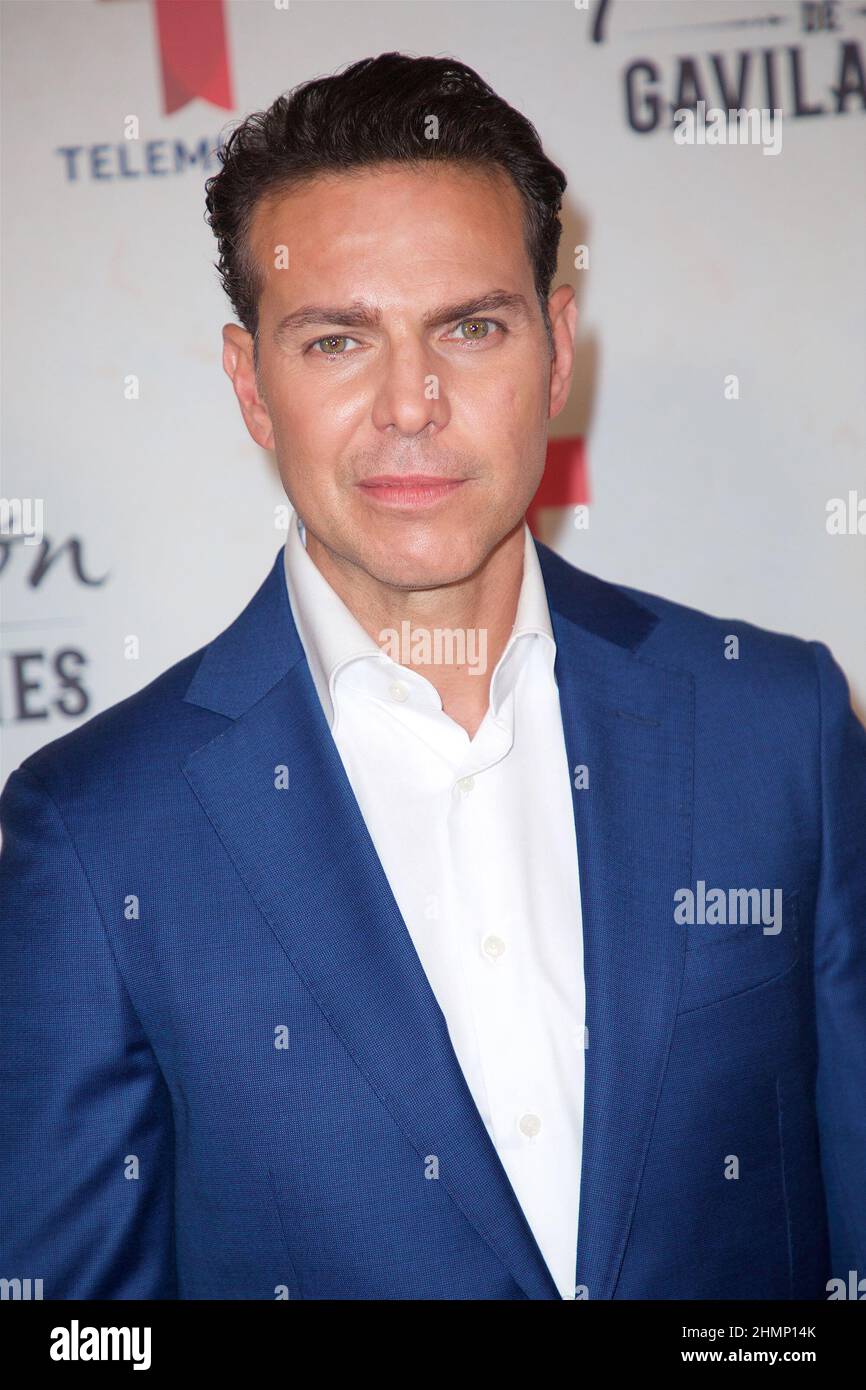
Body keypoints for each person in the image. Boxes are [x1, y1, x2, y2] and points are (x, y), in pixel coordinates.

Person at [1, 52, 863, 1301]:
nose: (411, 404)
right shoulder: (95, 833)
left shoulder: (773, 727)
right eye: (338, 338)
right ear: (251, 384)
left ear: (556, 350)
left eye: (469, 327)